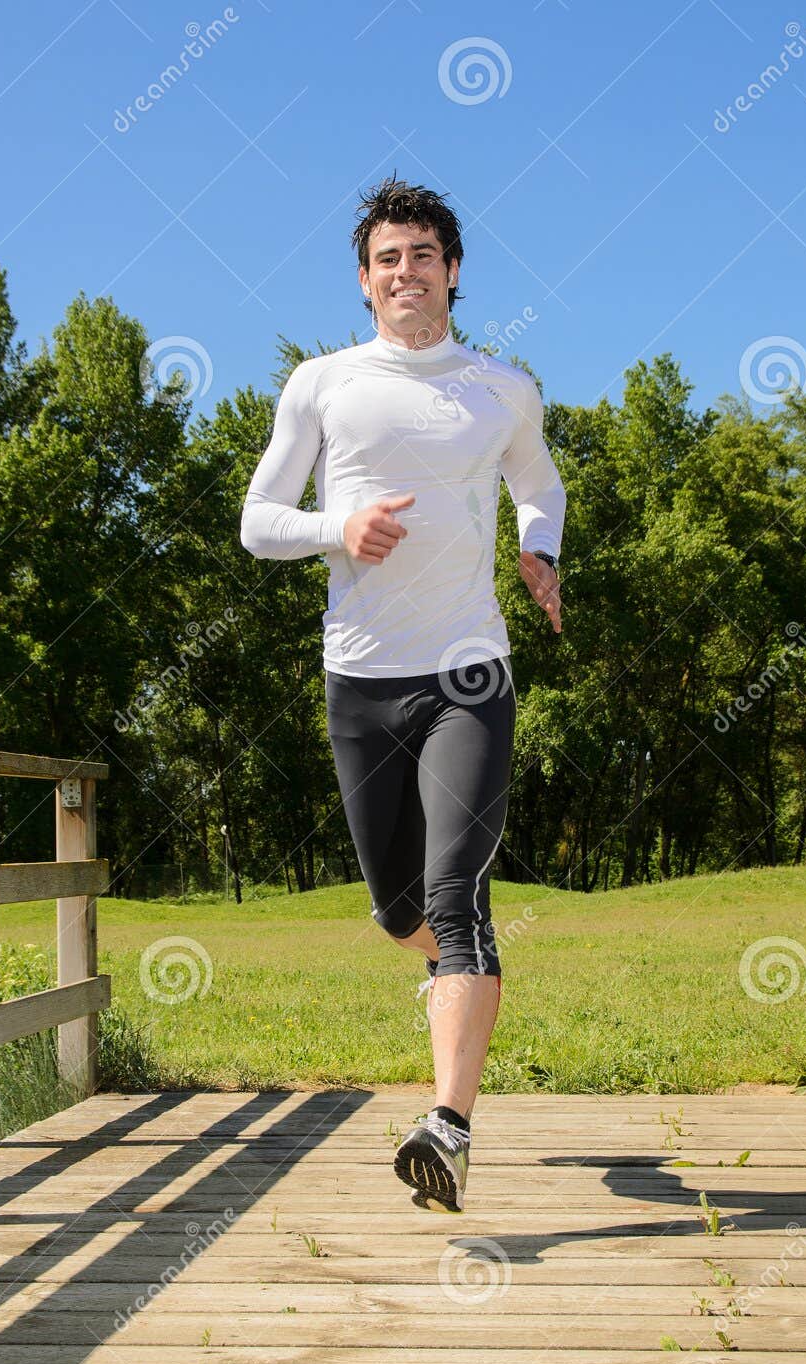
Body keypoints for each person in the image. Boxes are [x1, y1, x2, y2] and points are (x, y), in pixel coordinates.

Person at [240, 173, 565, 1211]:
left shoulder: (501, 386)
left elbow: (537, 482)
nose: (406, 272)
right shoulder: (322, 384)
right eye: (387, 258)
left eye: (423, 254)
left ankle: (448, 1126)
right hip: (360, 679)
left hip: (468, 671)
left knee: (452, 897)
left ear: (453, 271)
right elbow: (257, 522)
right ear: (365, 278)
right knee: (395, 912)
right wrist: (335, 529)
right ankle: (457, 989)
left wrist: (537, 545)